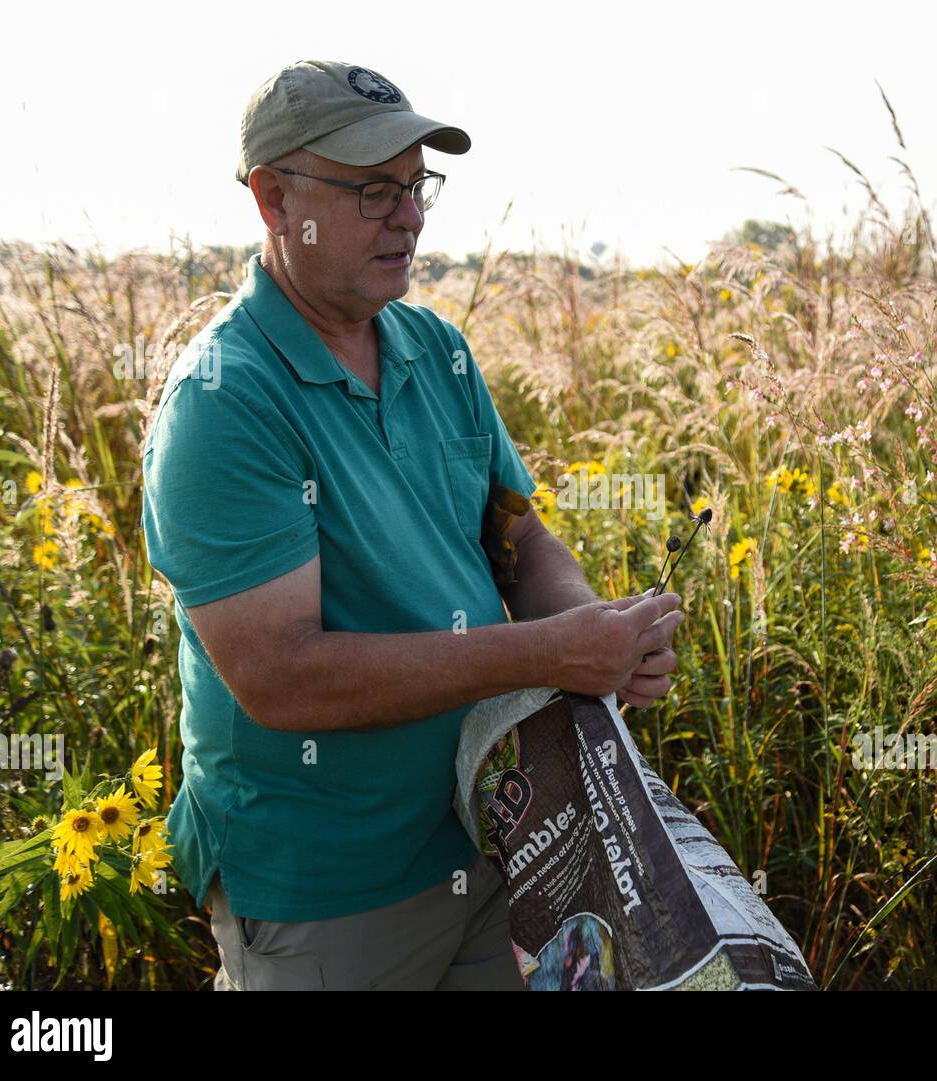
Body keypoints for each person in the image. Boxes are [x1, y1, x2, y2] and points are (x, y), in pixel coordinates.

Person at [141, 59, 683, 990]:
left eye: (416, 184)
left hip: (487, 840)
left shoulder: (436, 350)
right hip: (329, 889)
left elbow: (517, 537)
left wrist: (602, 638)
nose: (411, 216)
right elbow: (284, 678)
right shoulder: (224, 402)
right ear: (274, 200)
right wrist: (551, 654)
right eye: (372, 190)